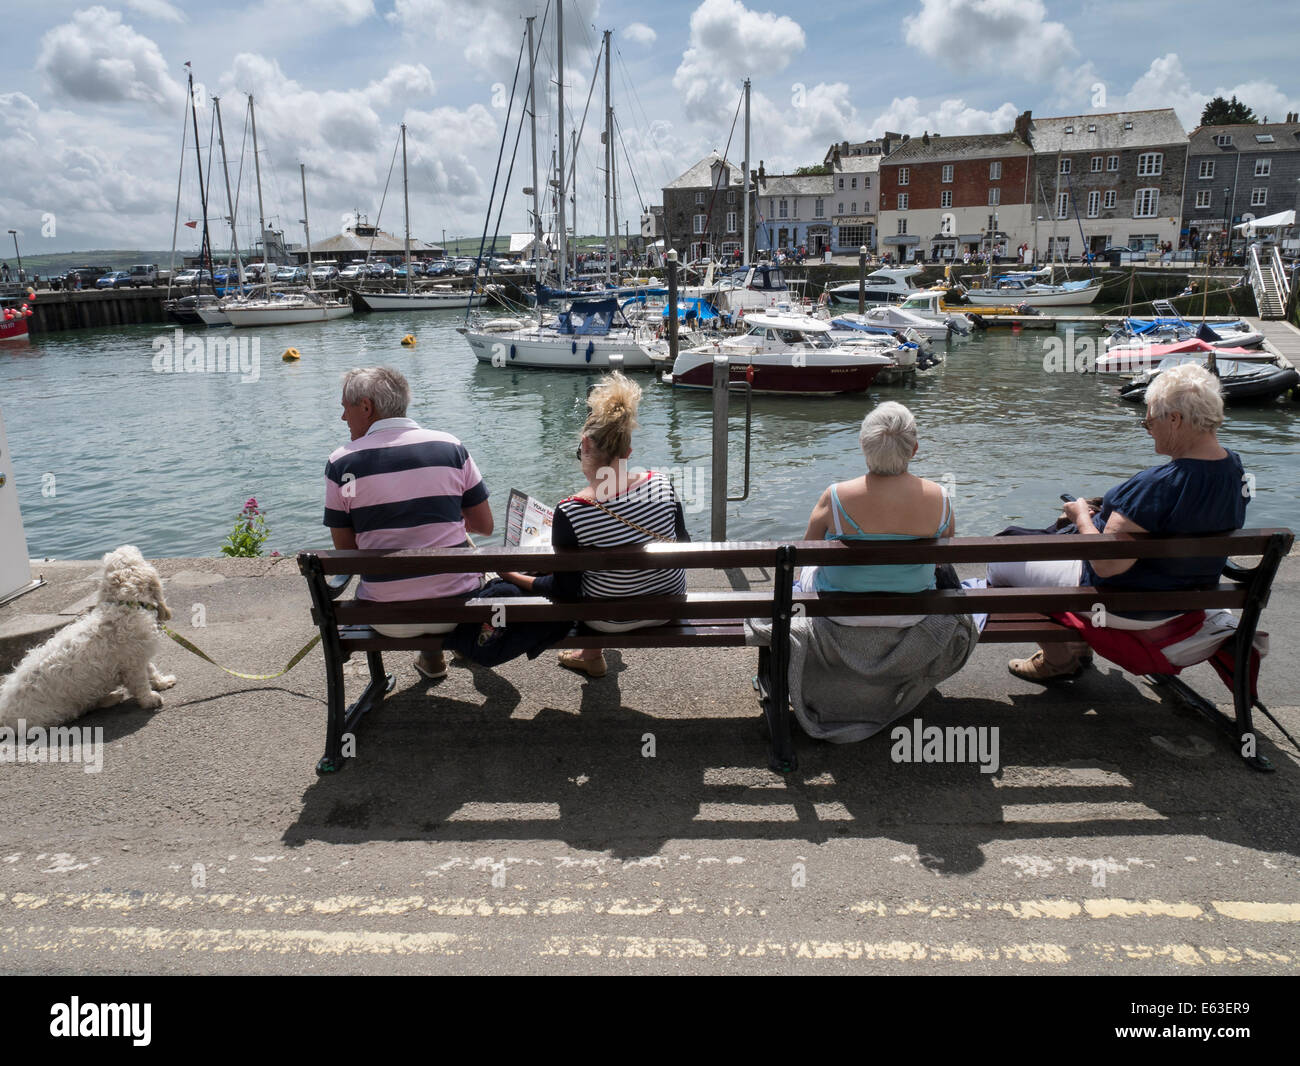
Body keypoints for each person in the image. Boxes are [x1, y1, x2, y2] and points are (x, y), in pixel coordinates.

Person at [990, 363, 1248, 681]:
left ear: (1175, 420)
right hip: (1189, 598)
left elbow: (1106, 567)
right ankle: (1073, 645)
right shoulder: (1235, 470)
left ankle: (1060, 658)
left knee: (999, 560)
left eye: (1149, 420)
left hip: (1125, 606)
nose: (1147, 427)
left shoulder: (1158, 483)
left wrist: (1082, 517)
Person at [752, 402, 977, 743]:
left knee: (811, 574)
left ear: (863, 446)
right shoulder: (941, 498)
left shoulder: (837, 496)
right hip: (911, 613)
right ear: (914, 449)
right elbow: (940, 559)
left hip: (841, 613)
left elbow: (805, 553)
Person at [498, 372, 688, 678]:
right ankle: (590, 655)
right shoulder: (663, 484)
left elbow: (565, 591)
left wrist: (516, 576)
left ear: (585, 445)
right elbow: (684, 545)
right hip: (668, 607)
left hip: (607, 619)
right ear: (628, 453)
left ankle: (589, 652)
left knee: (577, 583)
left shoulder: (571, 510)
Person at [324, 366, 497, 680]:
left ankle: (432, 660)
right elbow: (485, 526)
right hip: (459, 612)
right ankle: (445, 651)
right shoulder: (451, 448)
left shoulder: (341, 463)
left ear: (366, 407)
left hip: (388, 617)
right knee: (451, 551)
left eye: (344, 408)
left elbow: (346, 552)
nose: (343, 418)